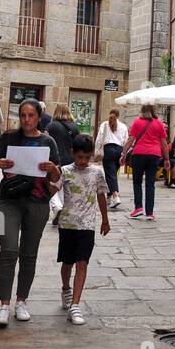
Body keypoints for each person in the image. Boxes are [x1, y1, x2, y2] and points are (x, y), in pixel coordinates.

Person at [0, 99, 62, 327]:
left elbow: (56, 178)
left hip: (37, 203)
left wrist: (53, 169)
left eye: (30, 115)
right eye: (23, 115)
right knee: (8, 251)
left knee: (29, 254)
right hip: (8, 201)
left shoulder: (48, 142)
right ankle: (4, 305)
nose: (26, 120)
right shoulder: (8, 138)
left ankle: (21, 301)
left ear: (39, 117)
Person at [50, 133, 110, 326]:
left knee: (82, 262)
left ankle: (75, 305)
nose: (83, 162)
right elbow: (52, 190)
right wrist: (50, 174)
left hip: (87, 225)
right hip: (67, 224)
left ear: (91, 155)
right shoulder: (65, 171)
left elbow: (101, 195)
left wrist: (105, 220)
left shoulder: (97, 173)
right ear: (72, 154)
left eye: (86, 158)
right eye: (79, 158)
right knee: (67, 263)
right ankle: (66, 288)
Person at [119, 104, 169, 221]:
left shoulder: (137, 122)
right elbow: (164, 143)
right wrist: (166, 159)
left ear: (142, 111)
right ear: (153, 111)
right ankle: (150, 213)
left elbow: (131, 139)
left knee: (137, 182)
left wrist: (123, 154)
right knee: (150, 184)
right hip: (154, 155)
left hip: (139, 154)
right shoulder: (159, 124)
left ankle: (138, 208)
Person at [45, 104, 78, 226]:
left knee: (51, 185)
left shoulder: (51, 125)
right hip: (70, 160)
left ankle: (56, 206)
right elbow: (78, 143)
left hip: (55, 161)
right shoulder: (74, 127)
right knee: (65, 186)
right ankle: (63, 210)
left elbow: (45, 141)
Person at [94, 108, 128, 210]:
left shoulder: (104, 124)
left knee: (110, 174)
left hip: (108, 150)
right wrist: (124, 154)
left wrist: (96, 150)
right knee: (112, 174)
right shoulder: (124, 126)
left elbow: (99, 138)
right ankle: (109, 196)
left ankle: (115, 197)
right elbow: (126, 140)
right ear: (118, 116)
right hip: (119, 150)